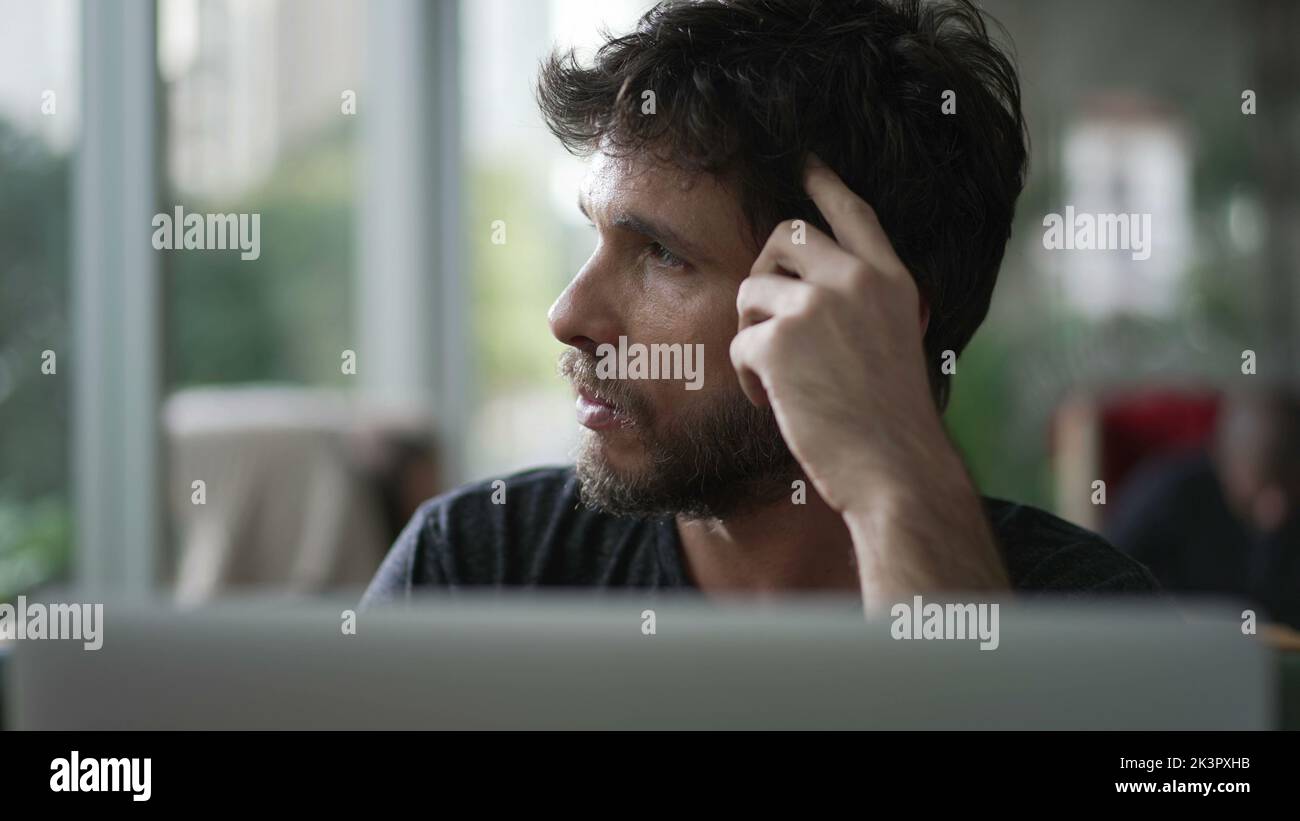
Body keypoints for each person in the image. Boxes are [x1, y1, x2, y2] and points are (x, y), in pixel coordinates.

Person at [363, 0, 1156, 610]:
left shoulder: (1085, 618)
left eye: (664, 255)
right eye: (595, 239)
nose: (568, 315)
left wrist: (895, 486)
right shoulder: (477, 570)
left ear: (858, 315)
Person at [1108, 389, 1300, 628]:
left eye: (1291, 484)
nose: (1277, 512)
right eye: (1262, 484)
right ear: (1225, 460)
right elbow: (1106, 593)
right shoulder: (1163, 500)